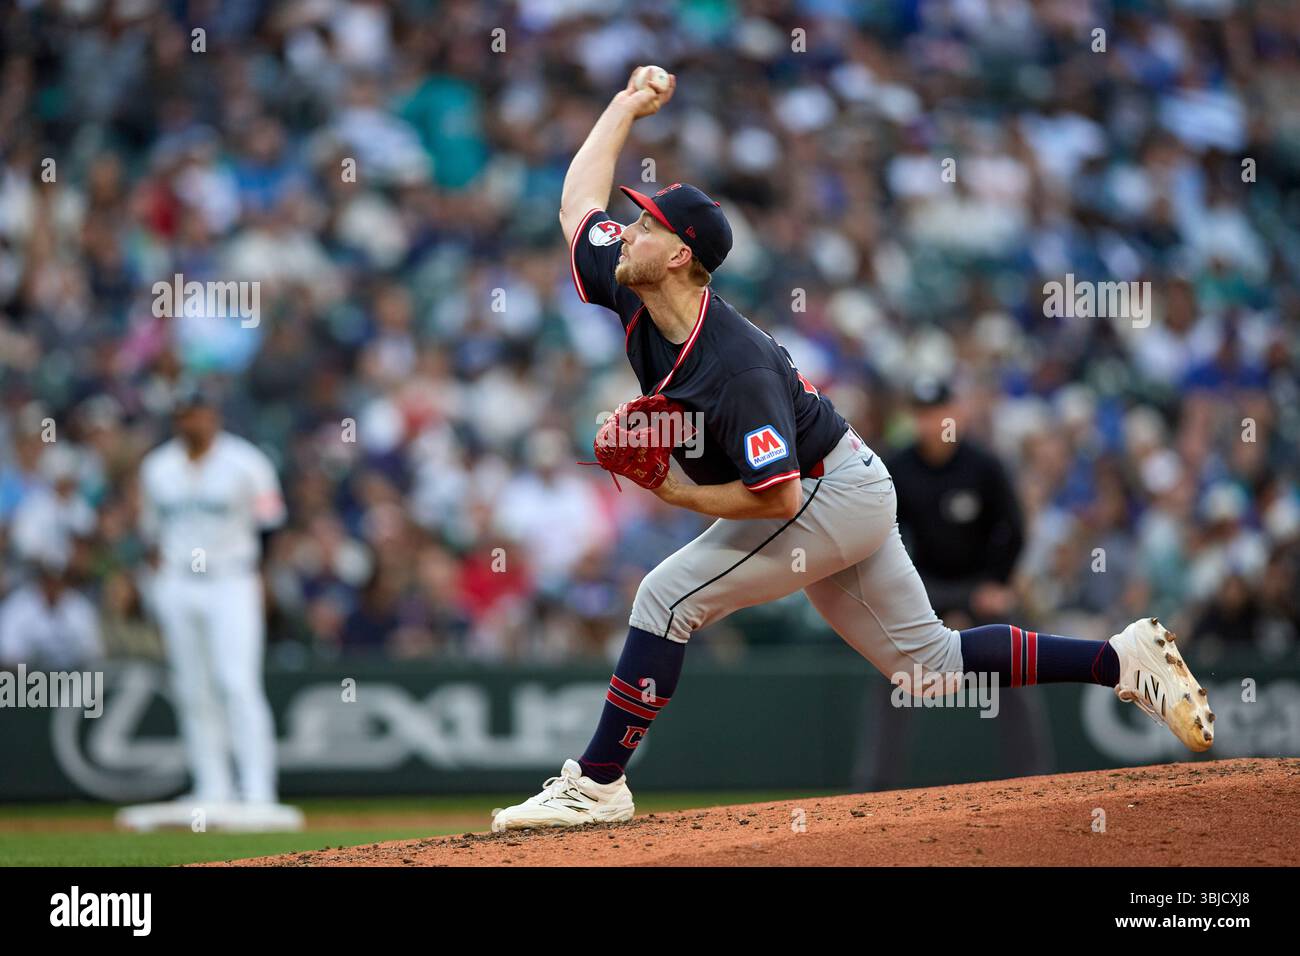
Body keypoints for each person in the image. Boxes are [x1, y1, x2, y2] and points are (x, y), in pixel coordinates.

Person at [489, 68, 1214, 832]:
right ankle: (1120, 661)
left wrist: (680, 494)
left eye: (645, 225)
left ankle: (597, 784)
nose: (625, 232)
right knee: (928, 669)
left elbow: (779, 497)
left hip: (827, 493)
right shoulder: (632, 279)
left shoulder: (735, 368)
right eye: (635, 221)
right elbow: (578, 203)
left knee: (666, 598)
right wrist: (627, 104)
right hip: (850, 485)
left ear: (679, 257)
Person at [851, 379, 1052, 790]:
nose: (931, 423)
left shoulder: (984, 465)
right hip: (921, 591)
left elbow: (1013, 529)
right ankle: (874, 791)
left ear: (956, 414)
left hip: (983, 591)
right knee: (892, 679)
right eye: (922, 415)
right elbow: (882, 537)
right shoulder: (898, 467)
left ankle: (1035, 784)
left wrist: (997, 583)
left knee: (1015, 671)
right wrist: (919, 597)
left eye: (938, 413)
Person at [138, 383, 286, 806]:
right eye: (183, 413)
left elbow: (270, 526)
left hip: (232, 579)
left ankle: (258, 790)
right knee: (192, 688)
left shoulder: (247, 463)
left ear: (213, 415)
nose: (191, 420)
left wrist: (264, 580)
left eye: (197, 412)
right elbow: (151, 533)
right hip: (178, 581)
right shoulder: (158, 467)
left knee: (236, 682)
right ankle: (211, 788)